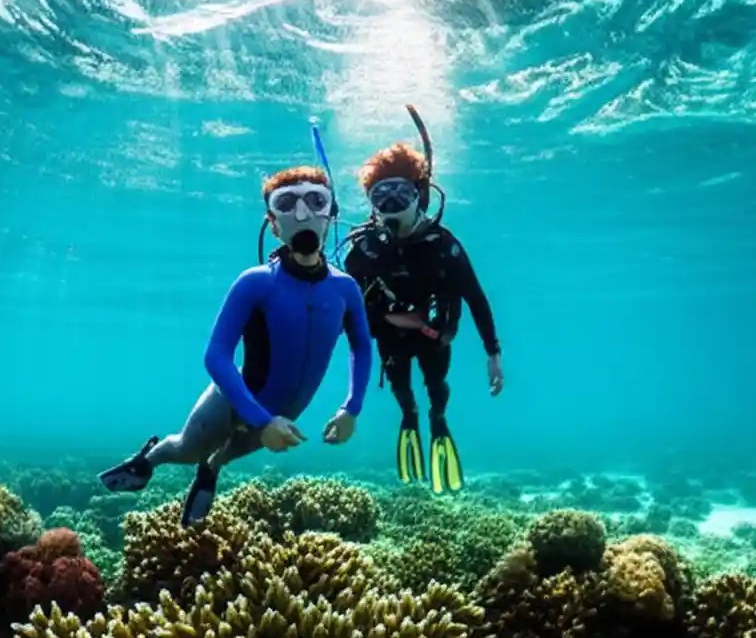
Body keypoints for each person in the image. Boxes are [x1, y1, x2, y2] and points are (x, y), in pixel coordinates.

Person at [98, 163, 374, 527]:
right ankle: (147, 461)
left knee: (222, 456)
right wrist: (262, 420)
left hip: (279, 416)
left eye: (315, 201)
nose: (302, 214)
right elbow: (216, 356)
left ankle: (209, 472)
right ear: (272, 224)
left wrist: (351, 408)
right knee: (187, 448)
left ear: (330, 214)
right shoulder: (256, 283)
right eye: (287, 204)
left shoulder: (345, 289)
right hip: (232, 401)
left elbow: (362, 346)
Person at [342, 105, 504, 495]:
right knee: (400, 385)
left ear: (421, 195)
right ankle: (409, 417)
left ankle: (438, 419)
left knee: (435, 383)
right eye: (382, 196)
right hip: (392, 337)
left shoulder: (443, 246)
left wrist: (493, 353)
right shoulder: (363, 252)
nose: (391, 206)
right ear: (371, 202)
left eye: (401, 194)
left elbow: (476, 298)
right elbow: (348, 313)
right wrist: (402, 320)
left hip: (435, 335)